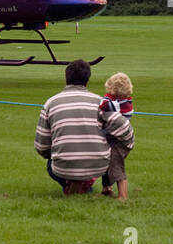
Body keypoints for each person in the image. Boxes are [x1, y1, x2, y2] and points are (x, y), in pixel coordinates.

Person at [34, 59, 131, 194]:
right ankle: (83, 184)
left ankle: (76, 185)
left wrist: (55, 154)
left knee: (52, 165)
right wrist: (124, 147)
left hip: (63, 166)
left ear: (66, 78)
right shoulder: (100, 103)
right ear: (88, 80)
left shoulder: (51, 103)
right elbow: (125, 127)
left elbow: (42, 146)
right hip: (99, 164)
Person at [98, 72, 135, 200]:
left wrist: (104, 99)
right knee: (107, 163)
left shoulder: (124, 104)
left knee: (116, 165)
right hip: (113, 138)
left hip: (120, 141)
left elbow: (103, 105)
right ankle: (107, 188)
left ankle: (123, 195)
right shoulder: (120, 101)